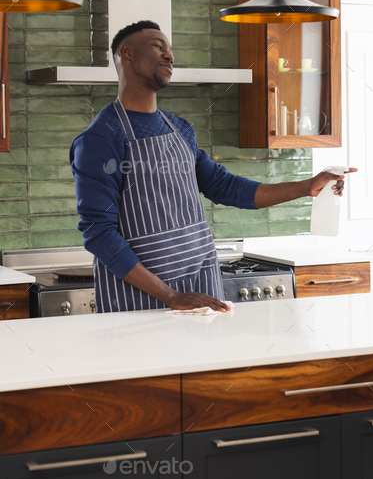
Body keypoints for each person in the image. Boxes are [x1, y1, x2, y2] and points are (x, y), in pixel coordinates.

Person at [70, 20, 355, 313]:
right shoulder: (100, 139)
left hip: (201, 281)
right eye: (158, 46)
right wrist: (170, 296)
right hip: (143, 297)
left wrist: (307, 187)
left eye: (170, 50)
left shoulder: (180, 129)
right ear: (126, 53)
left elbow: (225, 187)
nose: (169, 55)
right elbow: (99, 234)